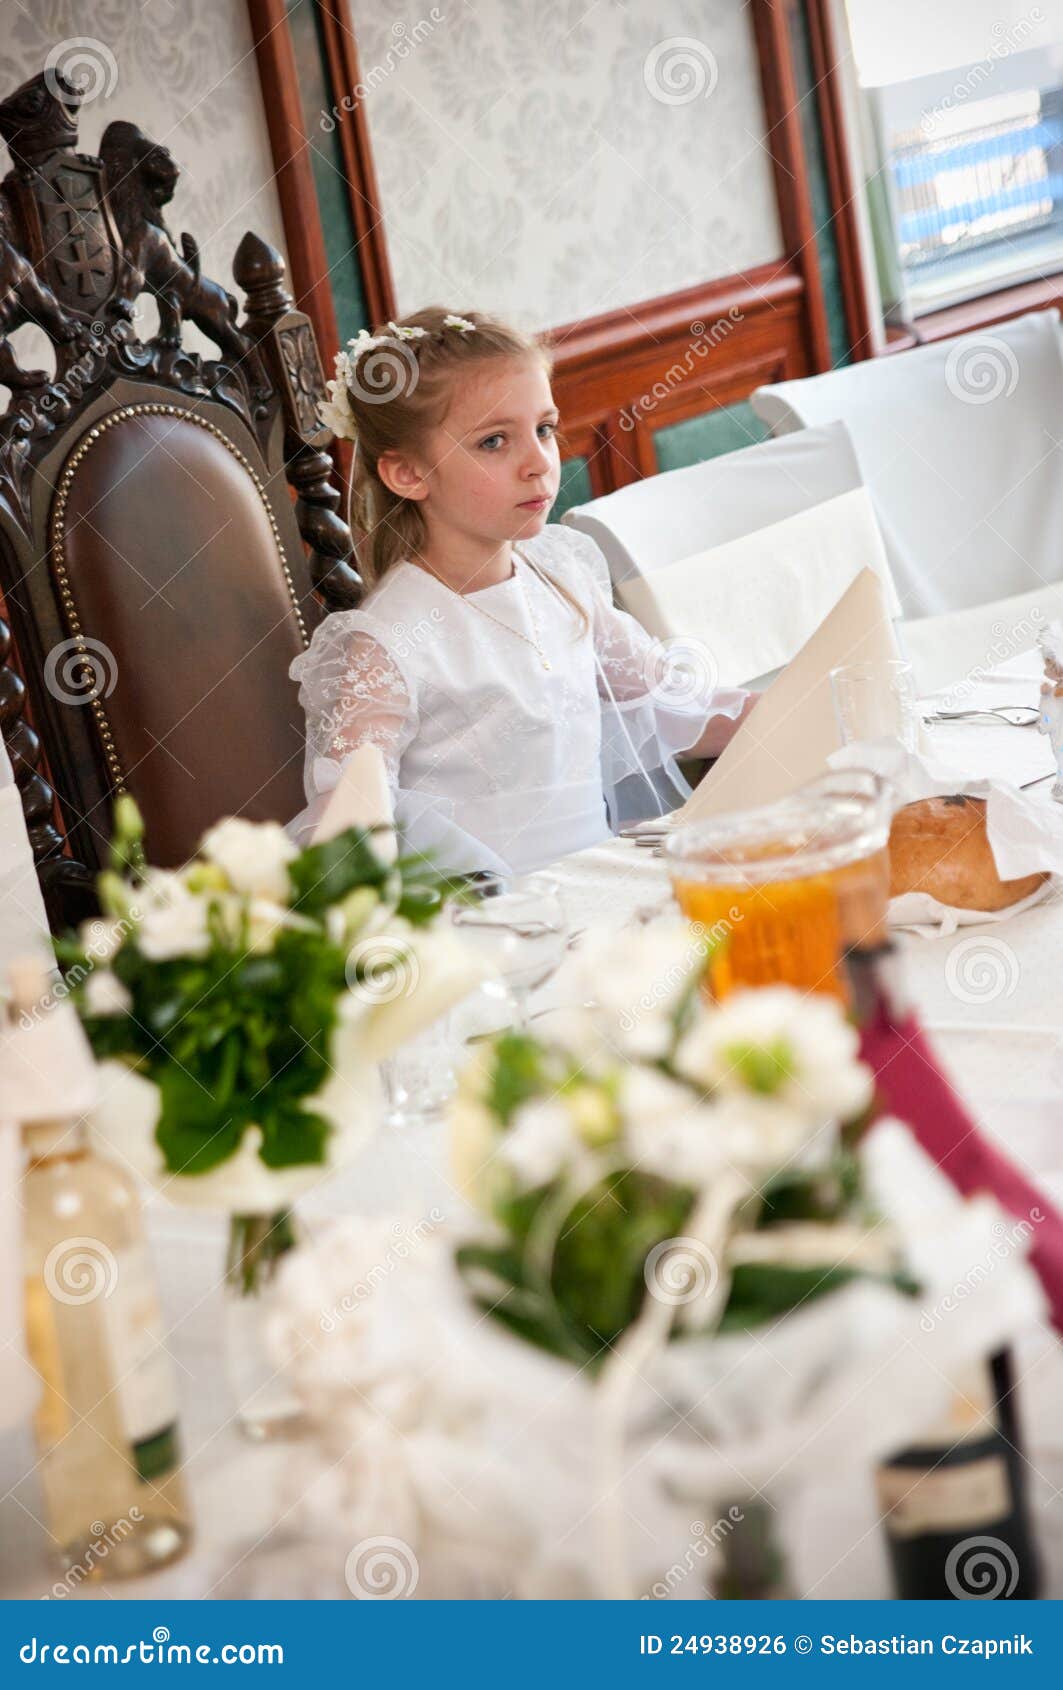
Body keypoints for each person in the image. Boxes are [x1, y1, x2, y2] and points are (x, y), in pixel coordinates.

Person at [290, 307, 754, 875]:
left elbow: (673, 705)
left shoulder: (561, 576)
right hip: (492, 922)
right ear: (408, 474)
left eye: (544, 429)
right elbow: (353, 831)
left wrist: (810, 704)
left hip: (605, 881)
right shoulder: (388, 643)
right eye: (493, 442)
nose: (539, 463)